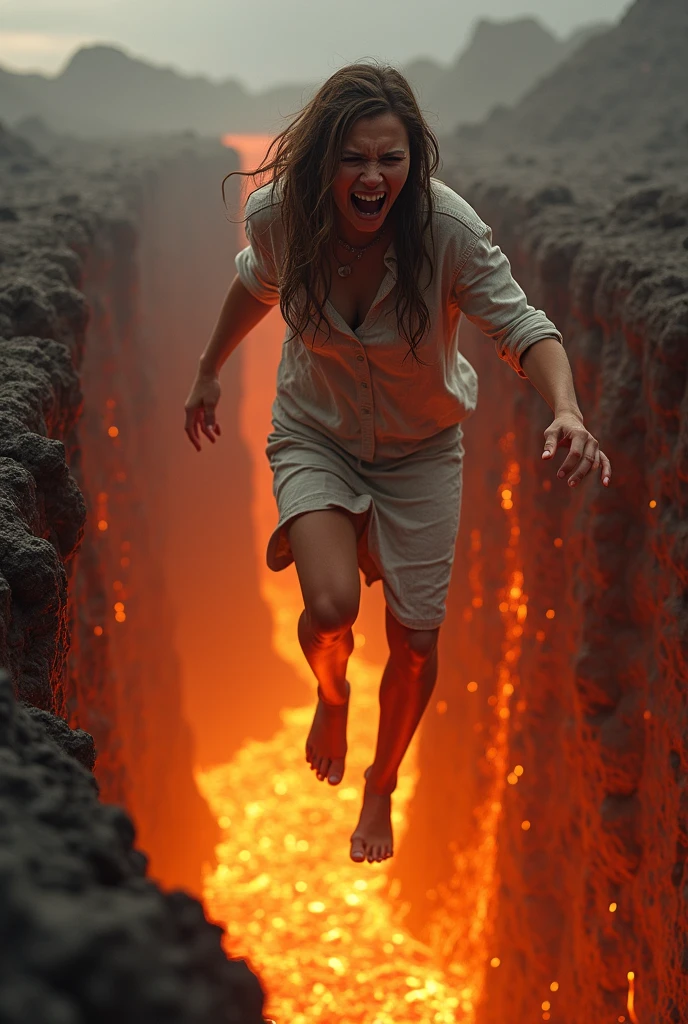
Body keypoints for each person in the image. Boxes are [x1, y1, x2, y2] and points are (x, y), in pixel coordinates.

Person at [184, 63, 612, 865]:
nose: (373, 177)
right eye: (354, 158)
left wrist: (568, 410)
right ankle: (332, 693)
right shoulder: (280, 217)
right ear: (323, 160)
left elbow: (525, 328)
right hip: (316, 432)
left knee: (415, 642)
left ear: (415, 160)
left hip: (422, 450)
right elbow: (255, 287)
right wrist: (209, 370)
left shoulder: (446, 230)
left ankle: (381, 784)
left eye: (391, 158)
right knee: (331, 607)